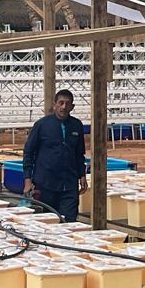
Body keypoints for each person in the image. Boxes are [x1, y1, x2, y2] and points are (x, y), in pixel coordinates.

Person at [23, 89, 86, 222]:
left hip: (69, 184)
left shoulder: (76, 125)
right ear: (54, 105)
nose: (64, 107)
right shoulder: (41, 125)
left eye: (67, 104)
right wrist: (27, 180)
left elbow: (79, 153)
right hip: (45, 183)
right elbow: (29, 152)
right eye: (61, 103)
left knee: (69, 221)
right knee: (46, 221)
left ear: (72, 107)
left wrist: (82, 175)